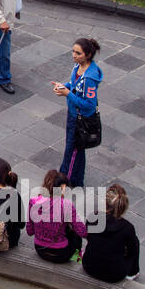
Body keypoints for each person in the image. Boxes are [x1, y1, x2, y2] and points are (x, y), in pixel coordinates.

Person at [52, 36, 102, 188]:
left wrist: (68, 94)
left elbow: (89, 105)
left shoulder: (90, 79)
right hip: (73, 114)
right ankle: (77, 180)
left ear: (87, 55)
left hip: (81, 120)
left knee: (71, 151)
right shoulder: (78, 67)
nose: (74, 55)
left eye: (78, 53)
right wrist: (64, 86)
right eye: (73, 52)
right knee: (78, 150)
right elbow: (73, 85)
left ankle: (64, 182)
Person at [82, 182, 140, 284]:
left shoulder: (93, 217)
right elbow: (132, 250)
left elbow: (88, 236)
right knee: (135, 242)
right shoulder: (127, 228)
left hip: (89, 266)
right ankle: (133, 272)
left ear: (105, 203)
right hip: (114, 274)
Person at [27, 169, 87, 262]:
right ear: (63, 187)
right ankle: (77, 258)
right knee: (75, 233)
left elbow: (30, 231)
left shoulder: (33, 202)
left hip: (40, 250)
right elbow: (83, 232)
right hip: (60, 254)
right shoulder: (66, 205)